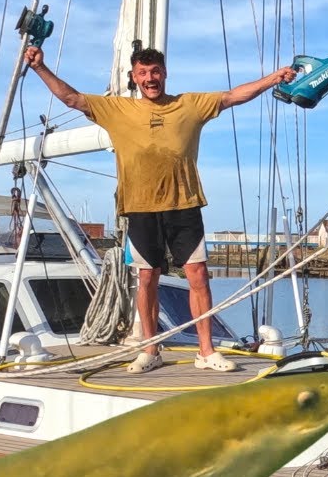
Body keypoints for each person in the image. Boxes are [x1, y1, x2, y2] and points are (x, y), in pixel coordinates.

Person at [24, 45, 297, 373]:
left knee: (198, 276)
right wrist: (40, 68)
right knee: (148, 277)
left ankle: (206, 351)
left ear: (165, 74)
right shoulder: (116, 109)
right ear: (134, 77)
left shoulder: (189, 105)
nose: (150, 78)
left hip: (184, 205)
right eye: (143, 73)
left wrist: (273, 78)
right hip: (140, 208)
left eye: (155, 72)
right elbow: (72, 98)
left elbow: (233, 96)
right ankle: (150, 349)